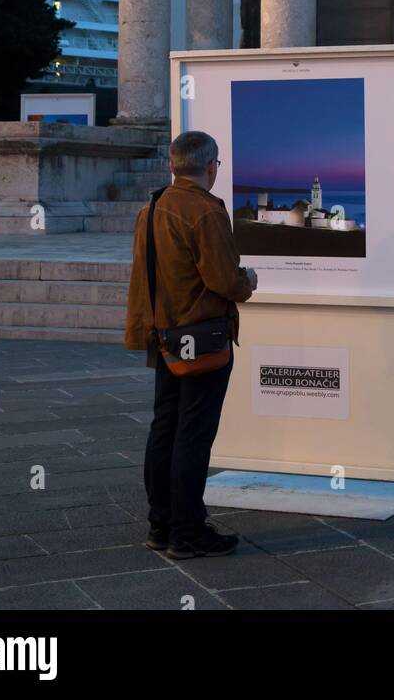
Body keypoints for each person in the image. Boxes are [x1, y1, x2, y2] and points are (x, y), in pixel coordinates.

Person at [124, 130, 256, 559]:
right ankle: (188, 531)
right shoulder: (204, 211)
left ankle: (160, 525)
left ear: (173, 165)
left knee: (165, 427)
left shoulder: (153, 206)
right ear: (212, 165)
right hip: (200, 336)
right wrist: (247, 282)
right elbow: (223, 280)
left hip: (164, 336)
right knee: (193, 435)